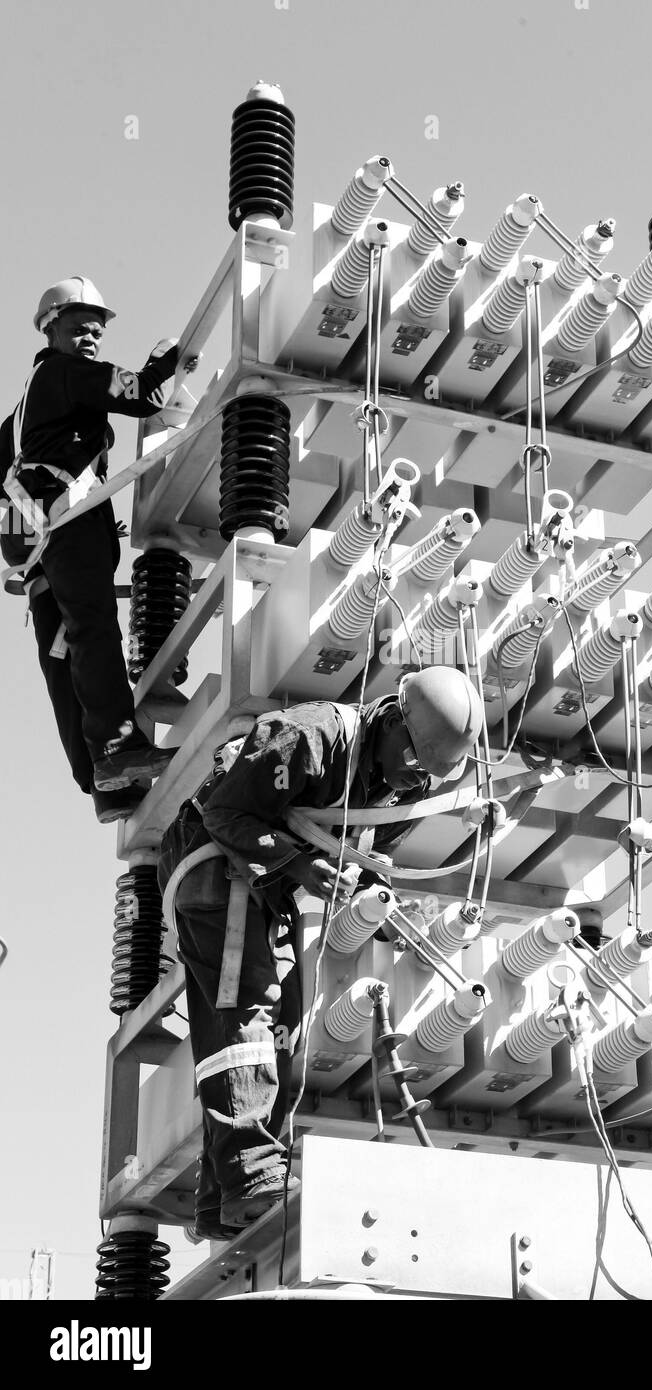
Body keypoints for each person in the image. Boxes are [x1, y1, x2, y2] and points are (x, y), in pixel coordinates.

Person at [157, 666, 483, 1239]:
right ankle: (254, 1173)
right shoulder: (312, 736)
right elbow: (224, 811)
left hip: (260, 886)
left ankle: (224, 1197)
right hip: (213, 862)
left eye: (424, 774)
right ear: (389, 716)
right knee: (247, 1002)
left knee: (280, 1024)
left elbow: (359, 868)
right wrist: (299, 864)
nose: (410, 778)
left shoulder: (394, 792)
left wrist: (386, 916)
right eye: (410, 758)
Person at [0, 276, 197, 823]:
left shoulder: (17, 418)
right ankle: (116, 750)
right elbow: (138, 394)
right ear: (50, 328)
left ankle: (103, 783)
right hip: (70, 522)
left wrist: (23, 548)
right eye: (79, 325)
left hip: (39, 549)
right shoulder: (64, 374)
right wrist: (169, 361)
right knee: (94, 633)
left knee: (63, 656)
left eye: (97, 329)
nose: (91, 335)